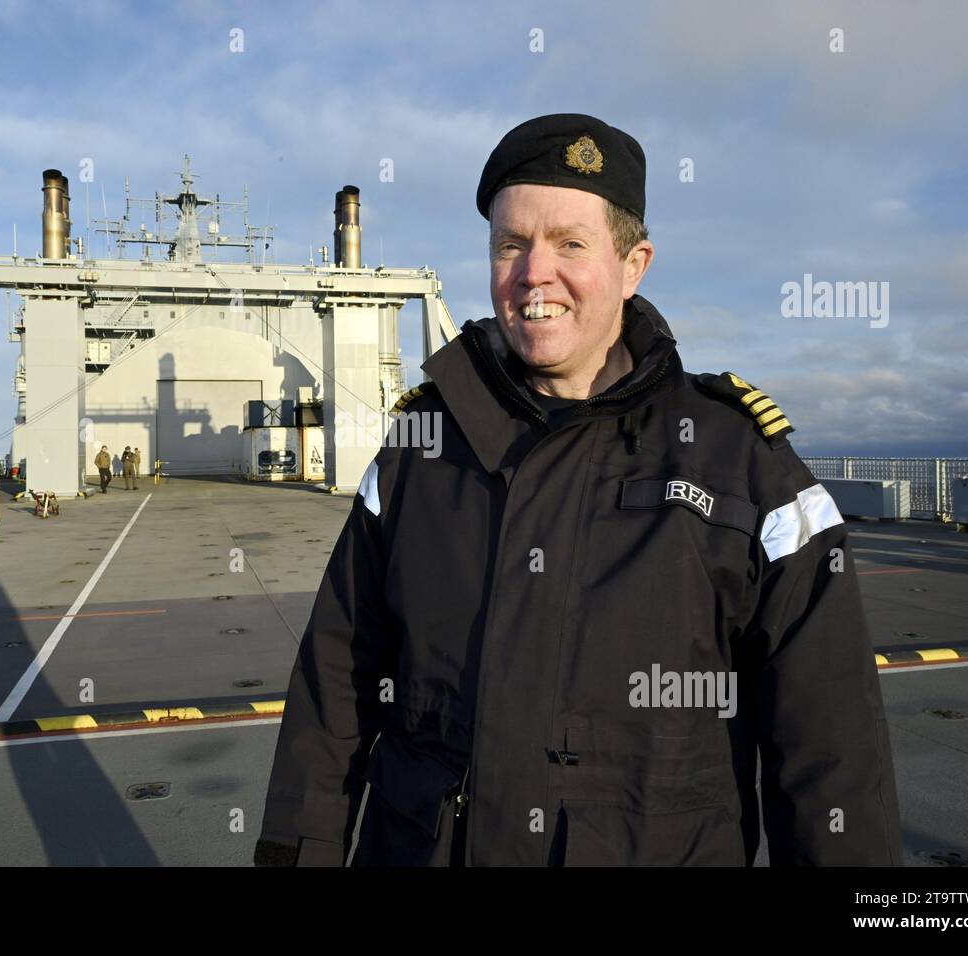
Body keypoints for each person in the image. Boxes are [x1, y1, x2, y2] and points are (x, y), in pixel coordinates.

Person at [254, 114, 901, 867]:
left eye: (569, 243)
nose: (533, 274)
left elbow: (830, 750)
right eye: (511, 244)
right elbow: (335, 685)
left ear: (633, 265)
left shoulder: (743, 466)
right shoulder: (420, 451)